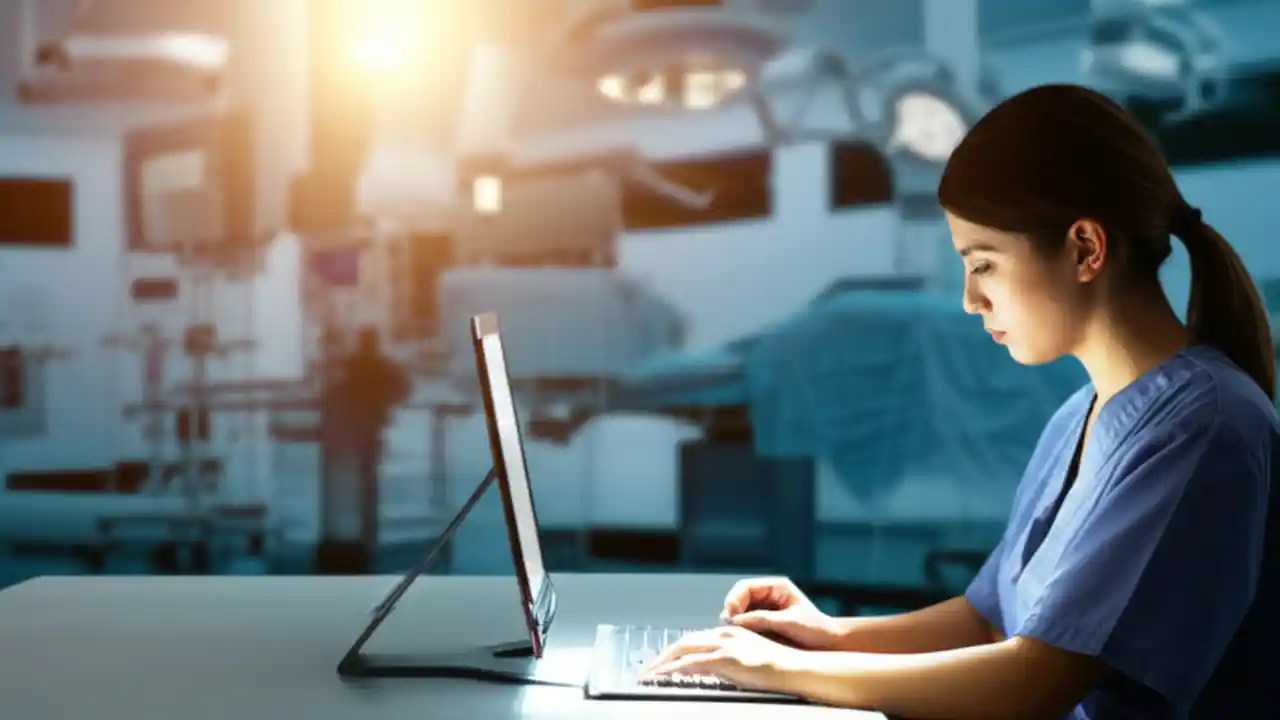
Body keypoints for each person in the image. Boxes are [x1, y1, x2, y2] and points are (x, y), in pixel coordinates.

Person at [646, 83, 1280, 718]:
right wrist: (825, 635)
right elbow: (987, 622)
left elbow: (1035, 679)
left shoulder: (1204, 427)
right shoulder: (1079, 417)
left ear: (1086, 249)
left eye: (984, 265)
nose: (970, 300)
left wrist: (792, 672)